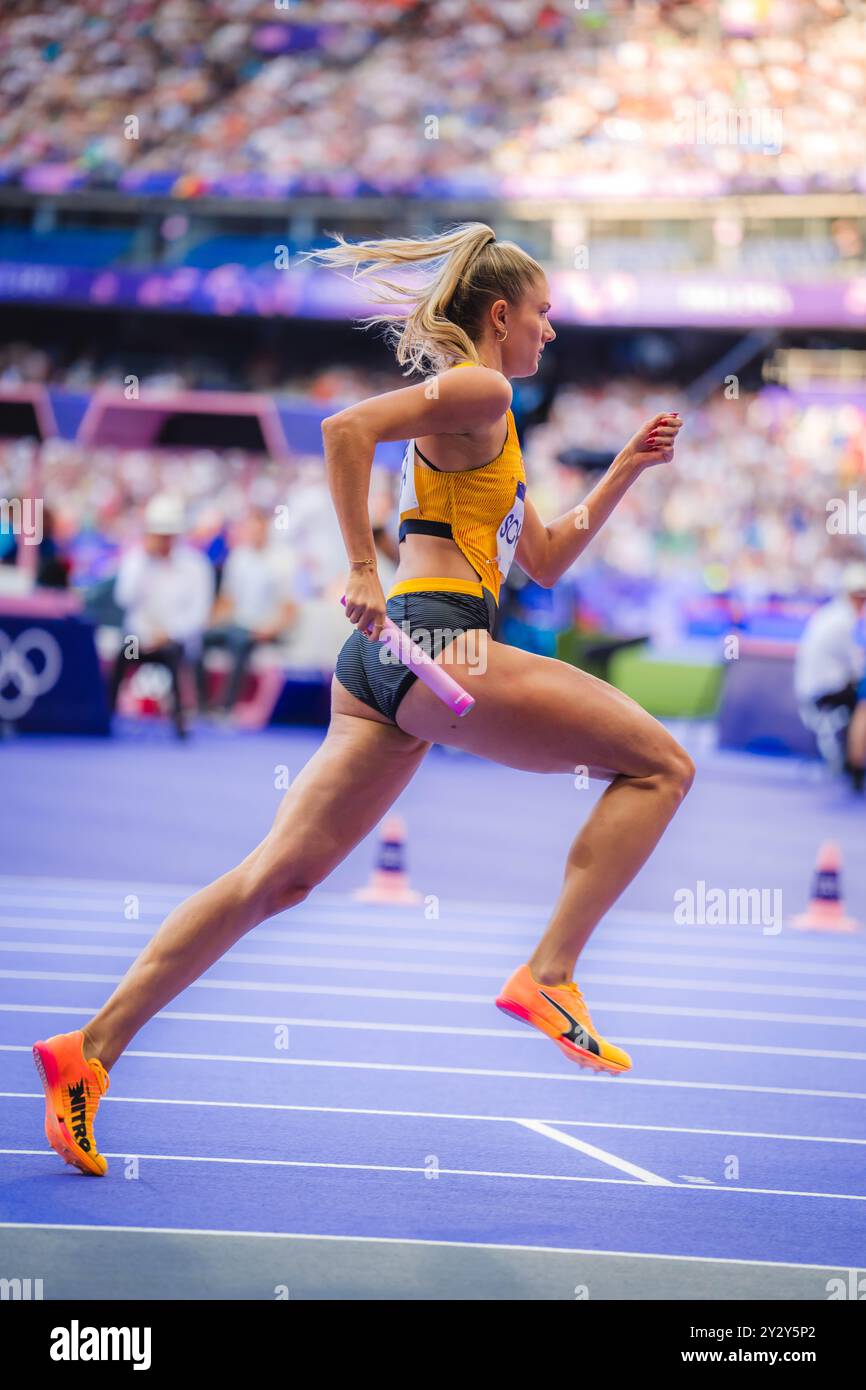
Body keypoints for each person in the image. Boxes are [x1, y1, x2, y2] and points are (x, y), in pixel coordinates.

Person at [32, 223, 692, 1176]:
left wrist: (624, 470)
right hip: (438, 643)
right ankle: (549, 974)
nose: (551, 332)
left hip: (385, 670)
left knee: (275, 880)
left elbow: (542, 561)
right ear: (500, 315)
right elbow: (345, 430)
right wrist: (359, 566)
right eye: (543, 314)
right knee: (664, 766)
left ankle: (87, 1053)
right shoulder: (483, 387)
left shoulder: (489, 422)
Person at [107, 493, 214, 739]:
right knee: (123, 653)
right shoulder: (137, 560)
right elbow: (125, 599)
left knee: (175, 656)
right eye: (158, 534)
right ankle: (107, 714)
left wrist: (168, 634)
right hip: (139, 640)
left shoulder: (196, 566)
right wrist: (143, 560)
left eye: (168, 534)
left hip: (175, 642)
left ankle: (180, 722)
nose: (163, 540)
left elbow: (198, 614)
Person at [195, 508, 298, 720]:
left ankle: (226, 708)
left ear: (267, 529)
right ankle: (202, 706)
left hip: (264, 629)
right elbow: (227, 599)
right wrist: (209, 622)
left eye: (258, 528)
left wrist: (270, 629)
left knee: (240, 643)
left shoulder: (283, 560)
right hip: (237, 626)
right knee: (197, 641)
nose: (254, 533)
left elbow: (289, 607)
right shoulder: (238, 557)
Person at [795, 561, 866, 791]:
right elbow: (857, 667)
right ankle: (855, 767)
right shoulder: (844, 621)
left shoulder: (834, 614)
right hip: (823, 690)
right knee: (863, 704)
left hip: (817, 686)